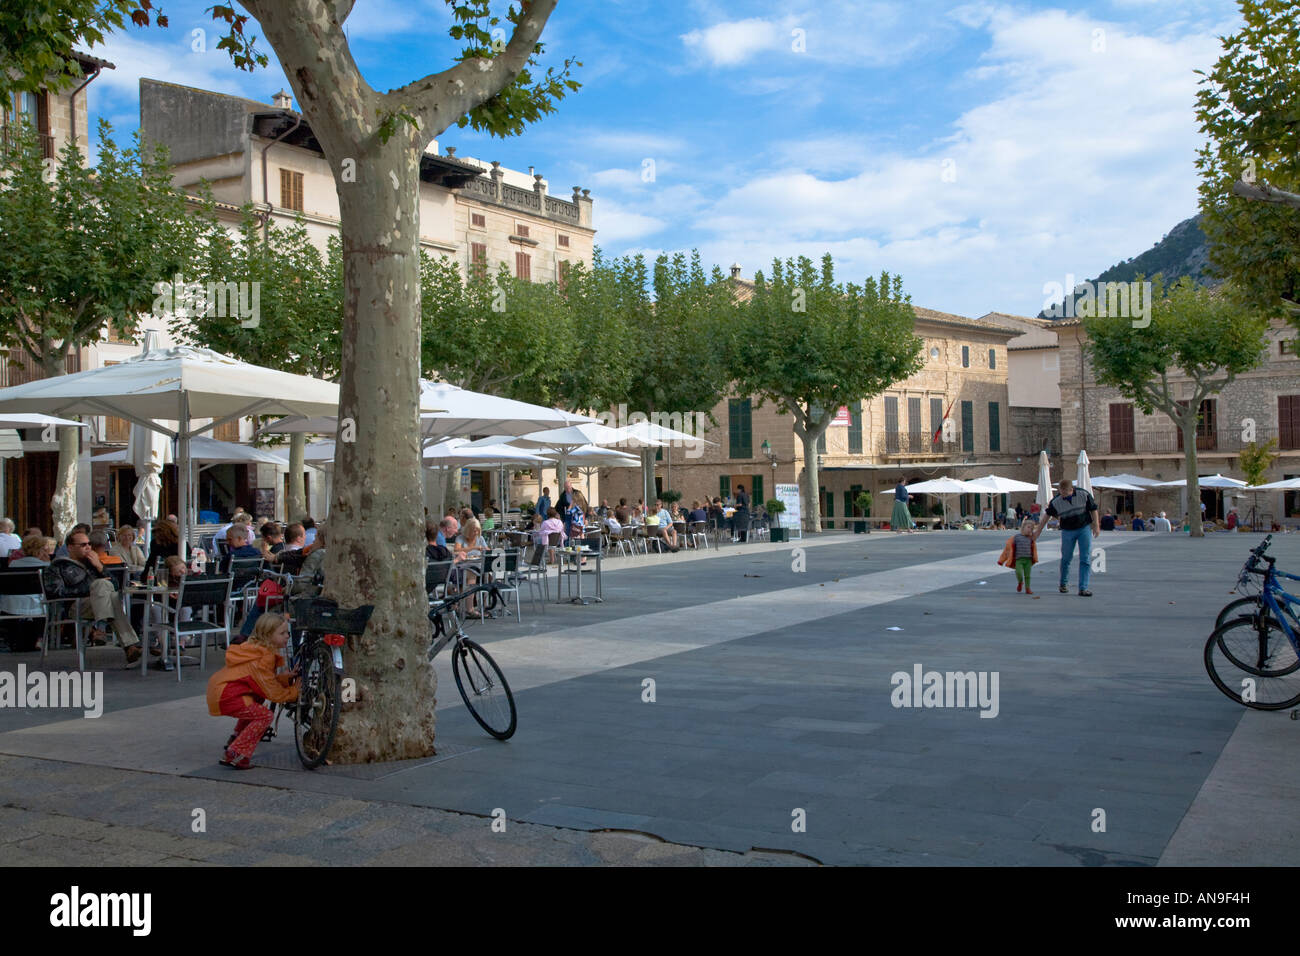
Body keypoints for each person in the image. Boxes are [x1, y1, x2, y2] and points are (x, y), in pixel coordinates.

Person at [206, 612, 299, 770]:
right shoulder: (265, 657)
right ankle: (237, 752)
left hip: (221, 691)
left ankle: (235, 738)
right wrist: (294, 691)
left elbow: (262, 680)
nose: (287, 636)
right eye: (282, 633)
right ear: (268, 635)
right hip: (229, 695)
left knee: (257, 700)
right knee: (265, 716)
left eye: (287, 632)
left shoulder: (256, 649)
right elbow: (273, 692)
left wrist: (284, 678)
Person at [48, 529, 144, 662]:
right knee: (103, 588)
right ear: (70, 547)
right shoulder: (58, 566)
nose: (88, 547)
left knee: (110, 594)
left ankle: (107, 632)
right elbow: (56, 592)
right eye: (83, 545)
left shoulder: (92, 562)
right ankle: (127, 642)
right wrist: (92, 586)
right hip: (75, 605)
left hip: (98, 604)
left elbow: (115, 585)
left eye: (89, 544)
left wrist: (100, 567)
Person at [1033, 478, 1099, 596]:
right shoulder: (1056, 501)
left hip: (1084, 528)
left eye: (1065, 493)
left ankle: (1083, 588)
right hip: (1068, 530)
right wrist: (1038, 531)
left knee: (1085, 558)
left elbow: (1093, 509)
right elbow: (1046, 516)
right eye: (1061, 493)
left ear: (1071, 490)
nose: (1063, 496)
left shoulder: (1083, 494)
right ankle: (1063, 584)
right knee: (1066, 558)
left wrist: (1096, 525)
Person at [1, 534, 55, 620]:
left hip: (10, 606)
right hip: (37, 606)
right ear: (41, 550)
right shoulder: (45, 567)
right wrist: (49, 563)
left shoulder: (12, 564)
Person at [998, 519, 1040, 595]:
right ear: (1023, 527)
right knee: (1019, 573)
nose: (1030, 530)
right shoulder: (1016, 538)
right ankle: (1020, 582)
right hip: (1019, 560)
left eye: (1031, 528)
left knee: (1027, 575)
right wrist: (1001, 560)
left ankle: (1028, 588)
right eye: (1028, 527)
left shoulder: (1031, 538)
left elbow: (1037, 534)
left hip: (1028, 560)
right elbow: (1007, 550)